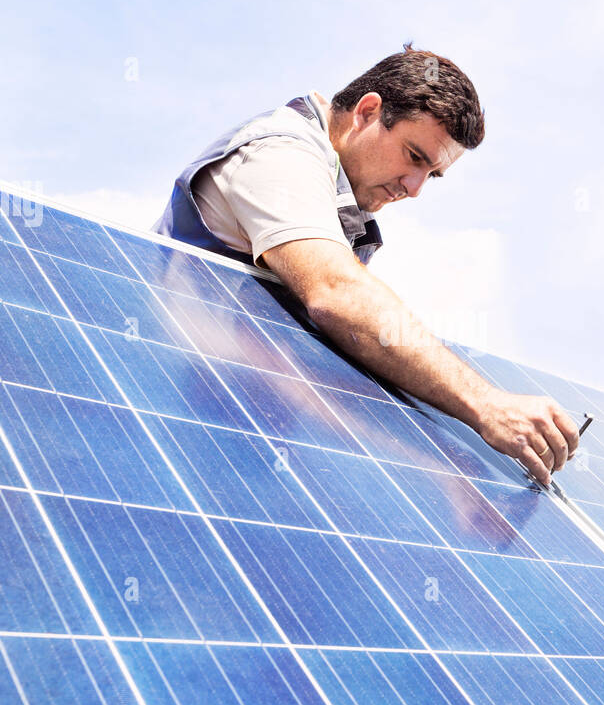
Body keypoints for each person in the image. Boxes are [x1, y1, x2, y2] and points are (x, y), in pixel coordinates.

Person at [154, 45, 579, 485]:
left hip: (228, 433)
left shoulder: (346, 206)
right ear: (368, 111)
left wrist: (442, 467)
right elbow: (336, 293)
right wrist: (486, 405)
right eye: (415, 157)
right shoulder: (280, 154)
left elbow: (311, 370)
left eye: (432, 175)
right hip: (165, 411)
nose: (415, 189)